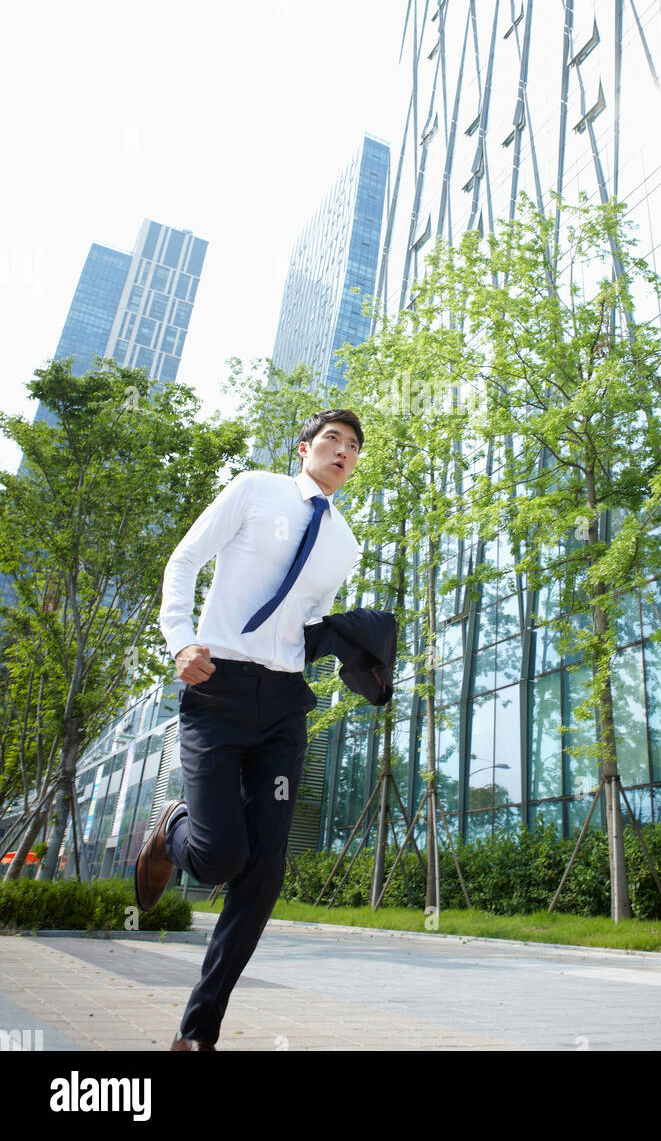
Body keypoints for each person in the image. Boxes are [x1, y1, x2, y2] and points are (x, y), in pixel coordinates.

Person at [135, 408, 363, 1051]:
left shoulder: (345, 543)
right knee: (219, 858)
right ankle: (173, 830)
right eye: (331, 440)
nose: (342, 451)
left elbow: (306, 623)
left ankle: (196, 1034)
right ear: (304, 448)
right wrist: (180, 641)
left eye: (352, 446)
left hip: (285, 706)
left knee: (263, 874)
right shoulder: (255, 490)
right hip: (218, 687)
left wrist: (355, 640)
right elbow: (182, 562)